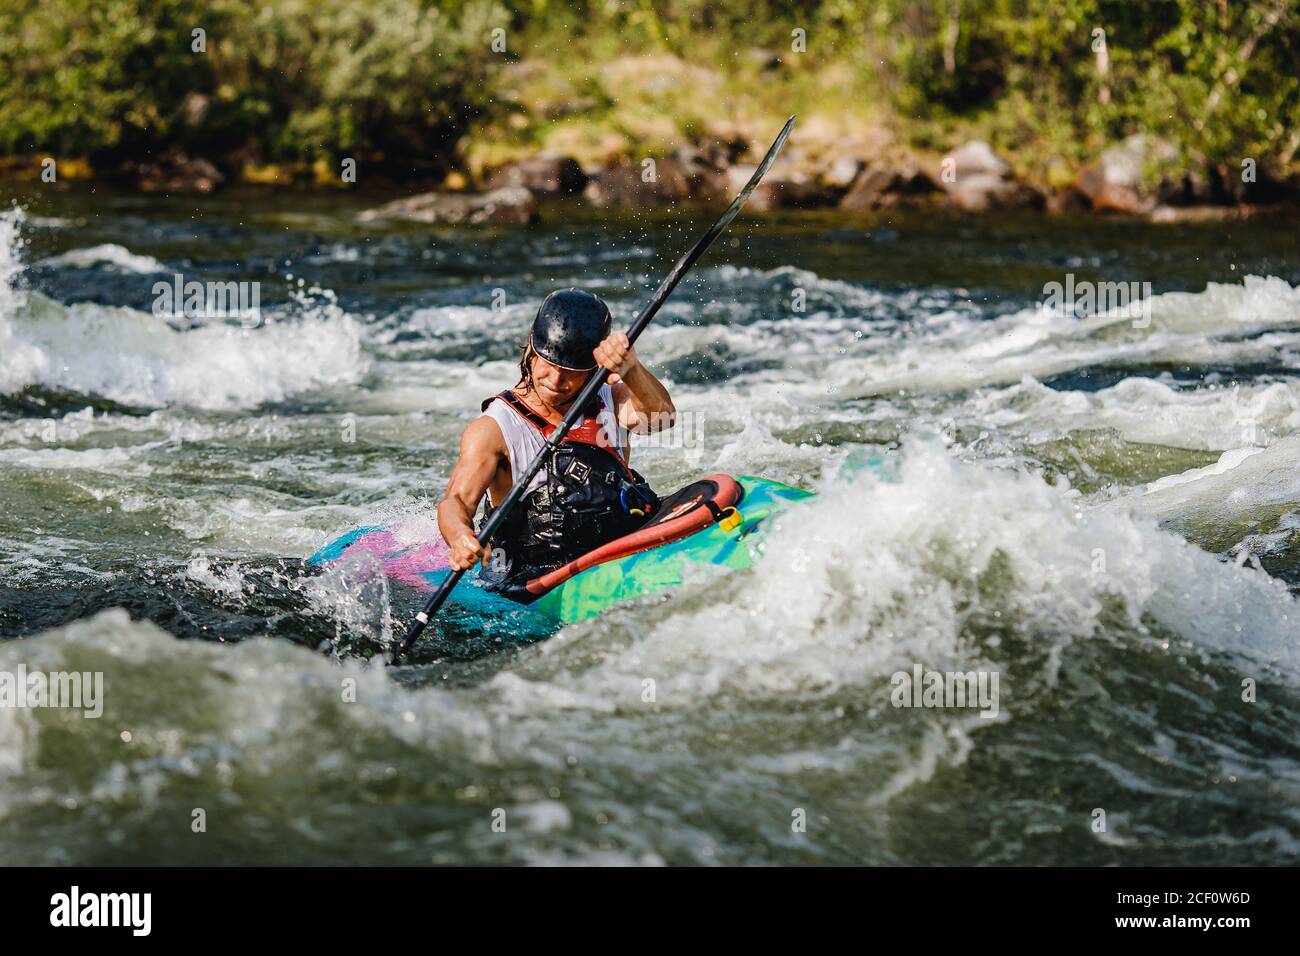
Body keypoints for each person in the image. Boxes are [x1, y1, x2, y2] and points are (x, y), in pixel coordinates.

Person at [437, 288, 676, 599]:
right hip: (533, 573)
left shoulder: (611, 397)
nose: (555, 380)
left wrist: (631, 369)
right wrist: (459, 537)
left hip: (616, 545)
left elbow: (662, 419)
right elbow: (455, 501)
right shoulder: (494, 429)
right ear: (532, 348)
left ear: (594, 368)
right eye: (547, 364)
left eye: (571, 373)